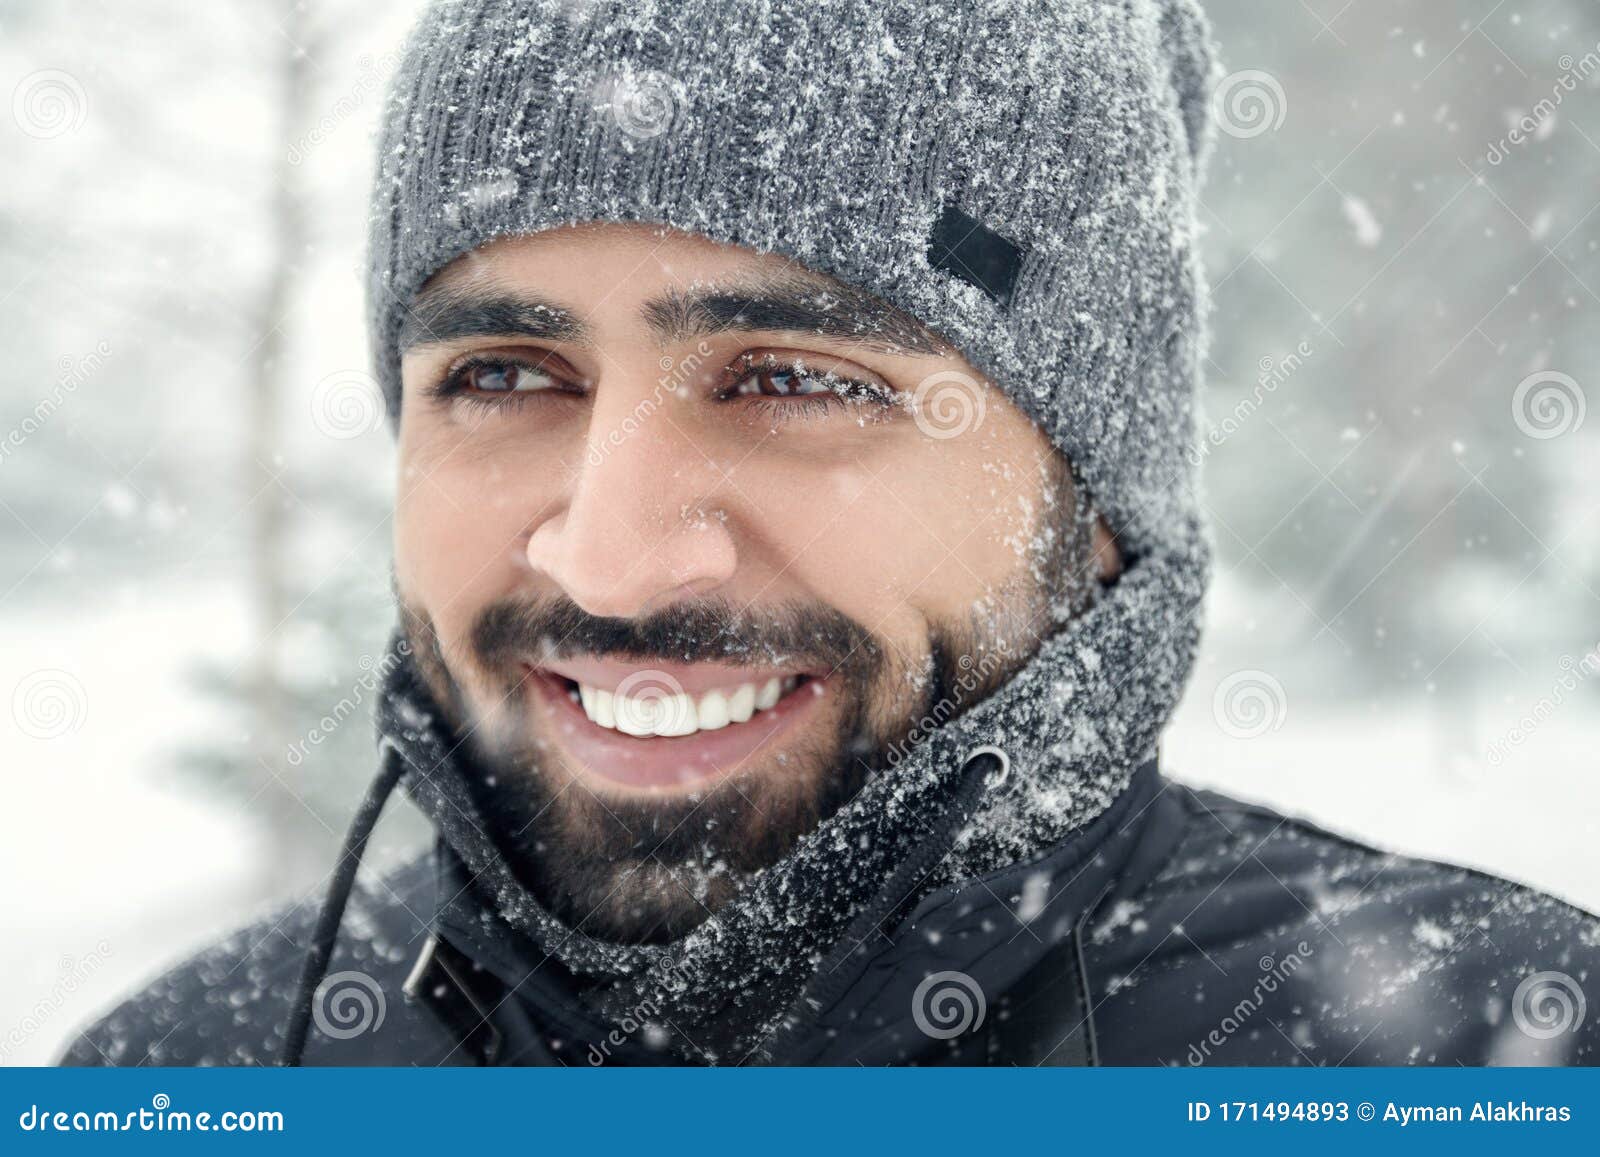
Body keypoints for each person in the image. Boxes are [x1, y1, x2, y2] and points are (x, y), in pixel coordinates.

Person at [64, 0, 1599, 1067]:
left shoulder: (1499, 1058)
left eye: (798, 379)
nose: (609, 557)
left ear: (1096, 498)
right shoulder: (193, 1071)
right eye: (505, 376)